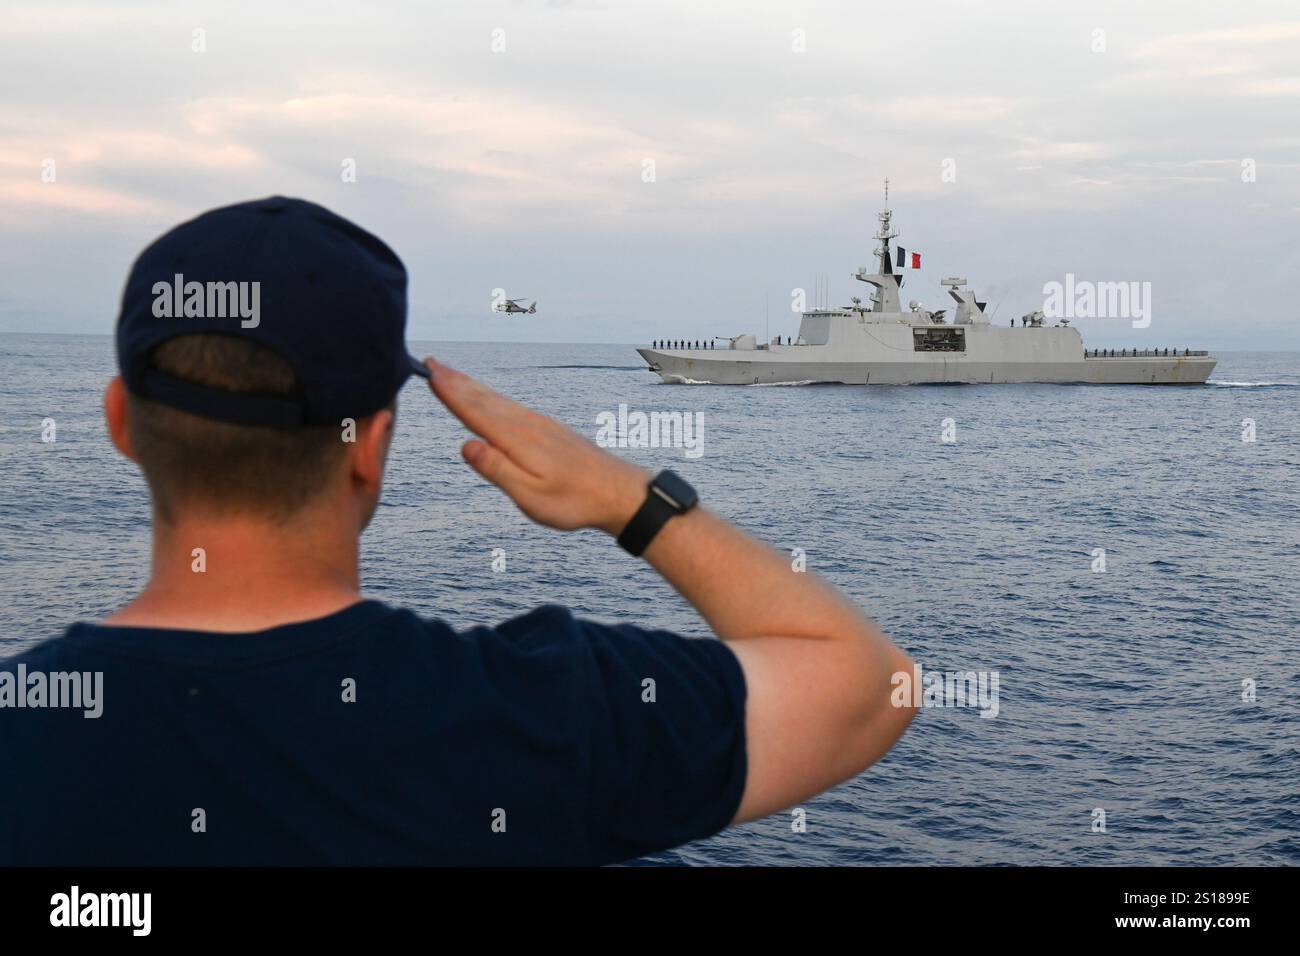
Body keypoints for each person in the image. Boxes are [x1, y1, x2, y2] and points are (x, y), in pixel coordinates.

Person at [0, 197, 914, 866]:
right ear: (374, 446)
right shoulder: (539, 712)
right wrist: (628, 497)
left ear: (119, 419)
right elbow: (875, 684)